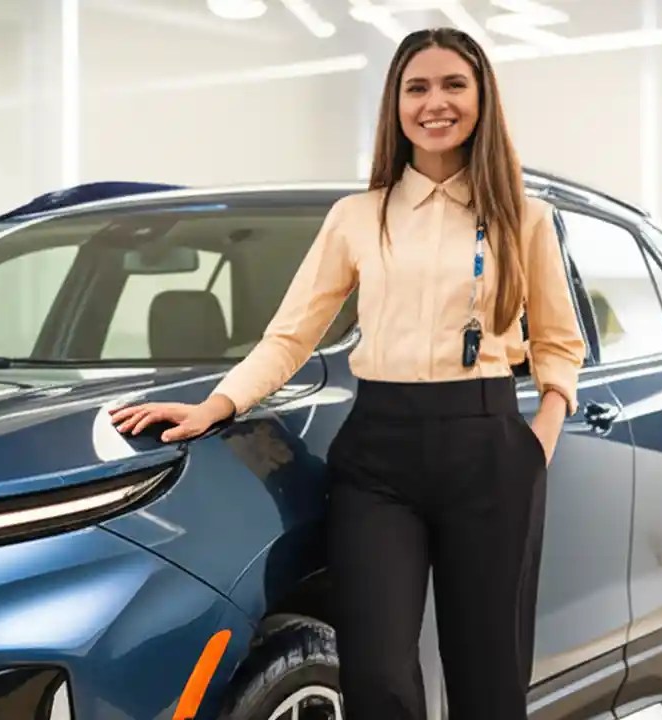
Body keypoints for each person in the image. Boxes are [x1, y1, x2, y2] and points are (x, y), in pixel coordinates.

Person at [110, 26, 585, 720]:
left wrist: (537, 441)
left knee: (488, 674)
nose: (435, 102)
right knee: (379, 673)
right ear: (395, 104)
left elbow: (559, 345)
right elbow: (291, 335)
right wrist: (215, 405)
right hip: (380, 455)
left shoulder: (524, 218)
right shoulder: (357, 218)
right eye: (416, 87)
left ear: (483, 98)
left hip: (489, 449)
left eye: (454, 84)